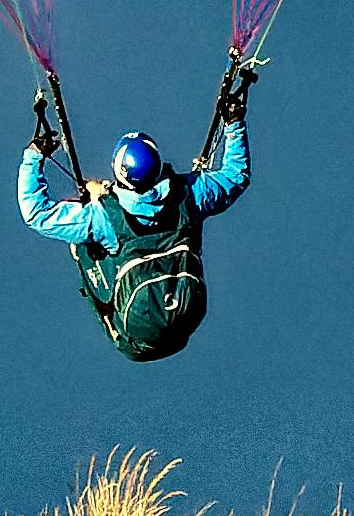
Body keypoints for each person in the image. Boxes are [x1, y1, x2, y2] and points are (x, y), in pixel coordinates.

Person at [20, 54, 253, 360]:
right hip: (184, 314)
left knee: (82, 243)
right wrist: (234, 124)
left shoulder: (104, 218)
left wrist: (34, 155)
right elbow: (236, 176)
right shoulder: (191, 194)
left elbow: (37, 213)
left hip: (139, 337)